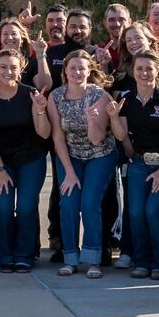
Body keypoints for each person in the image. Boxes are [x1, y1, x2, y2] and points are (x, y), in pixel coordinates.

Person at [0, 48, 50, 273]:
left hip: (30, 158)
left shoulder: (31, 94)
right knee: (3, 206)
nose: (8, 71)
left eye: (13, 67)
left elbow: (44, 134)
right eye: (3, 66)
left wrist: (40, 110)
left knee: (25, 206)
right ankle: (4, 253)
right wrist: (0, 169)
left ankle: (25, 253)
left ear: (21, 68)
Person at [110, 52, 159, 280]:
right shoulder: (126, 99)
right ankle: (142, 261)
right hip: (140, 163)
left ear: (157, 70)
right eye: (139, 68)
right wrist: (113, 117)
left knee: (153, 210)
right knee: (136, 212)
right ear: (133, 71)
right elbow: (122, 135)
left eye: (149, 68)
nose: (144, 73)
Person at [48, 50, 118, 278]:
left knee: (89, 202)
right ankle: (70, 258)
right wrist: (68, 172)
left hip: (100, 154)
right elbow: (57, 136)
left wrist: (91, 119)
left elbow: (97, 138)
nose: (77, 72)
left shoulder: (100, 96)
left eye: (82, 68)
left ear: (90, 71)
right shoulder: (56, 96)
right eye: (73, 68)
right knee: (68, 203)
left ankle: (93, 259)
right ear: (65, 71)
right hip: (71, 155)